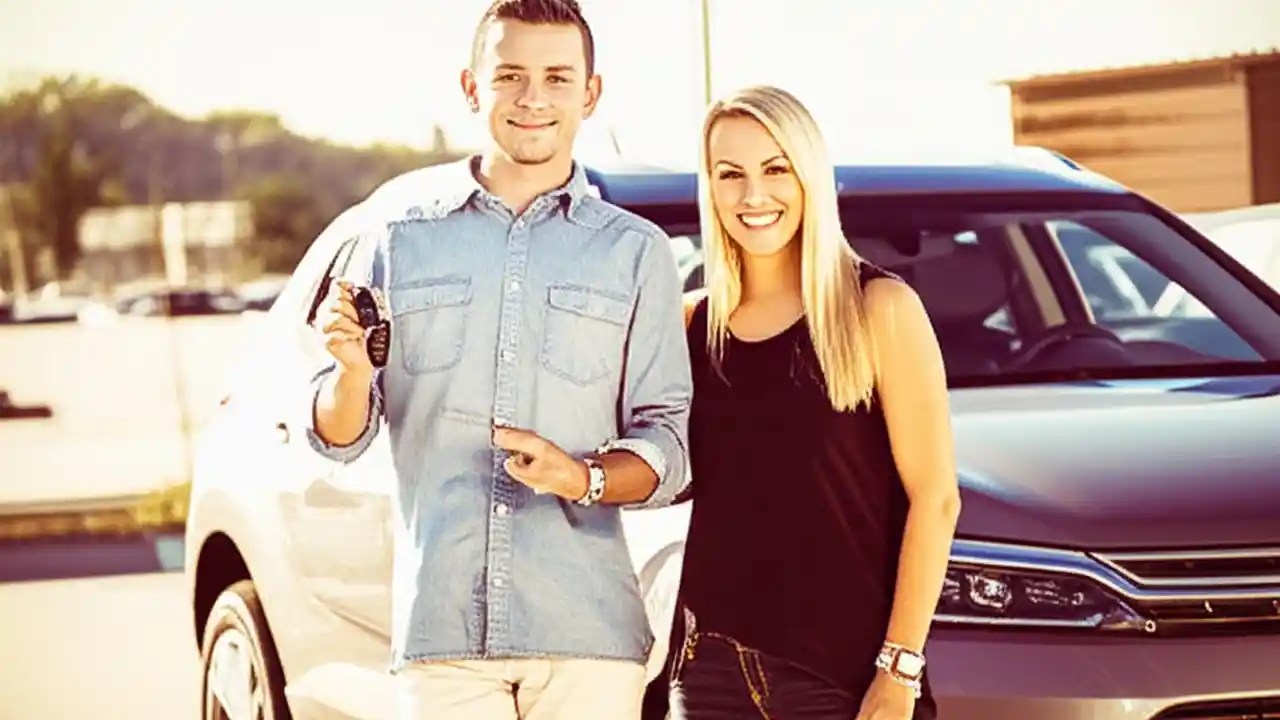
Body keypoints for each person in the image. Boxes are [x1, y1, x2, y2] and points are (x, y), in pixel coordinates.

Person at [305, 1, 692, 717]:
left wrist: (581, 475)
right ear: (470, 86)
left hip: (589, 636)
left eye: (555, 76)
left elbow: (669, 444)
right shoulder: (396, 240)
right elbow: (338, 434)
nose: (533, 98)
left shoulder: (637, 253)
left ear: (590, 92)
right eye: (510, 75)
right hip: (440, 632)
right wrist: (352, 374)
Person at [667, 85, 961, 719]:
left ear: (809, 176)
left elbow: (936, 499)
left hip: (844, 679)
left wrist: (899, 669)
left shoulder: (879, 309)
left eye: (776, 169)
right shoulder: (690, 326)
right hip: (710, 675)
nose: (754, 195)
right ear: (710, 188)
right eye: (730, 174)